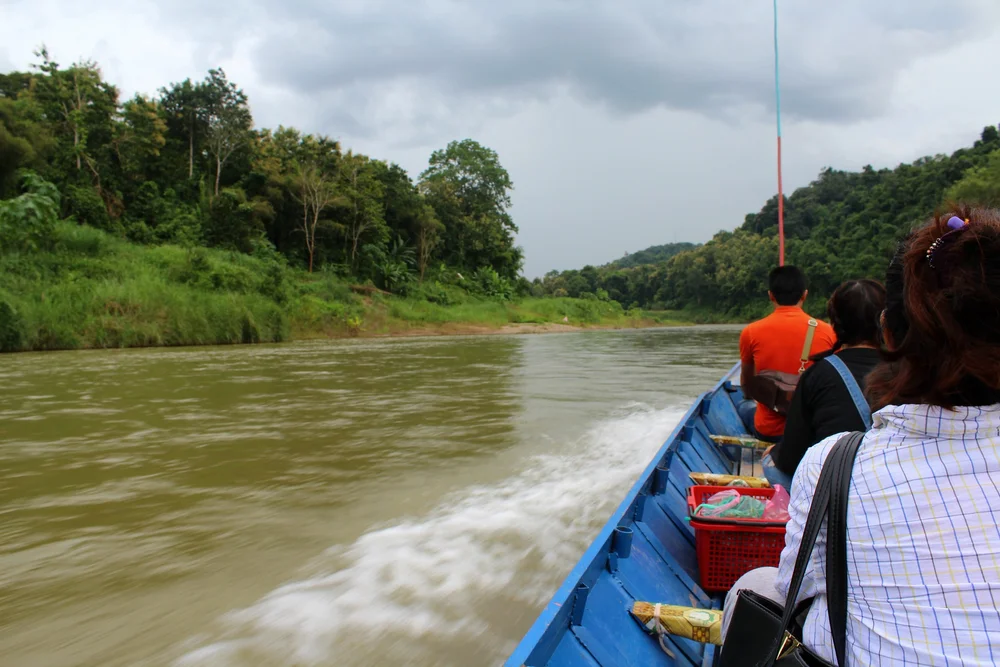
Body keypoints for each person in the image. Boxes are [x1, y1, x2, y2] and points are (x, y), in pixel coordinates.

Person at [722, 206, 1000, 664]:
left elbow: (795, 592)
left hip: (778, 433)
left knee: (755, 584)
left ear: (889, 333)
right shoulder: (821, 334)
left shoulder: (831, 458)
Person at [762, 279, 885, 490]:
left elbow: (792, 458)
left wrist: (774, 452)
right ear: (885, 321)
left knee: (770, 463)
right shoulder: (909, 370)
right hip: (890, 480)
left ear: (834, 324)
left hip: (837, 489)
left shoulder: (818, 373)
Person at [738, 266, 836, 444]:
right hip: (812, 431)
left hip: (770, 431)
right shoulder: (828, 331)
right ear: (804, 295)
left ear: (771, 295)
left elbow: (747, 385)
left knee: (743, 406)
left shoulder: (750, 332)